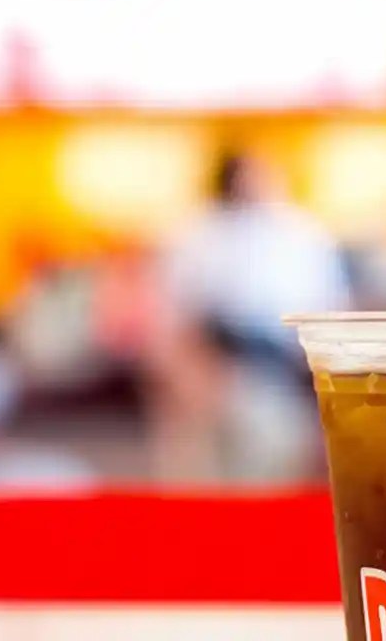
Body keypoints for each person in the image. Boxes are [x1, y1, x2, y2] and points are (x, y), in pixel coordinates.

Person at [150, 148, 350, 483]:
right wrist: (185, 371)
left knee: (278, 455)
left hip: (289, 365)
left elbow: (332, 307)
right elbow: (174, 315)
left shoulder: (301, 233)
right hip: (218, 362)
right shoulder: (200, 233)